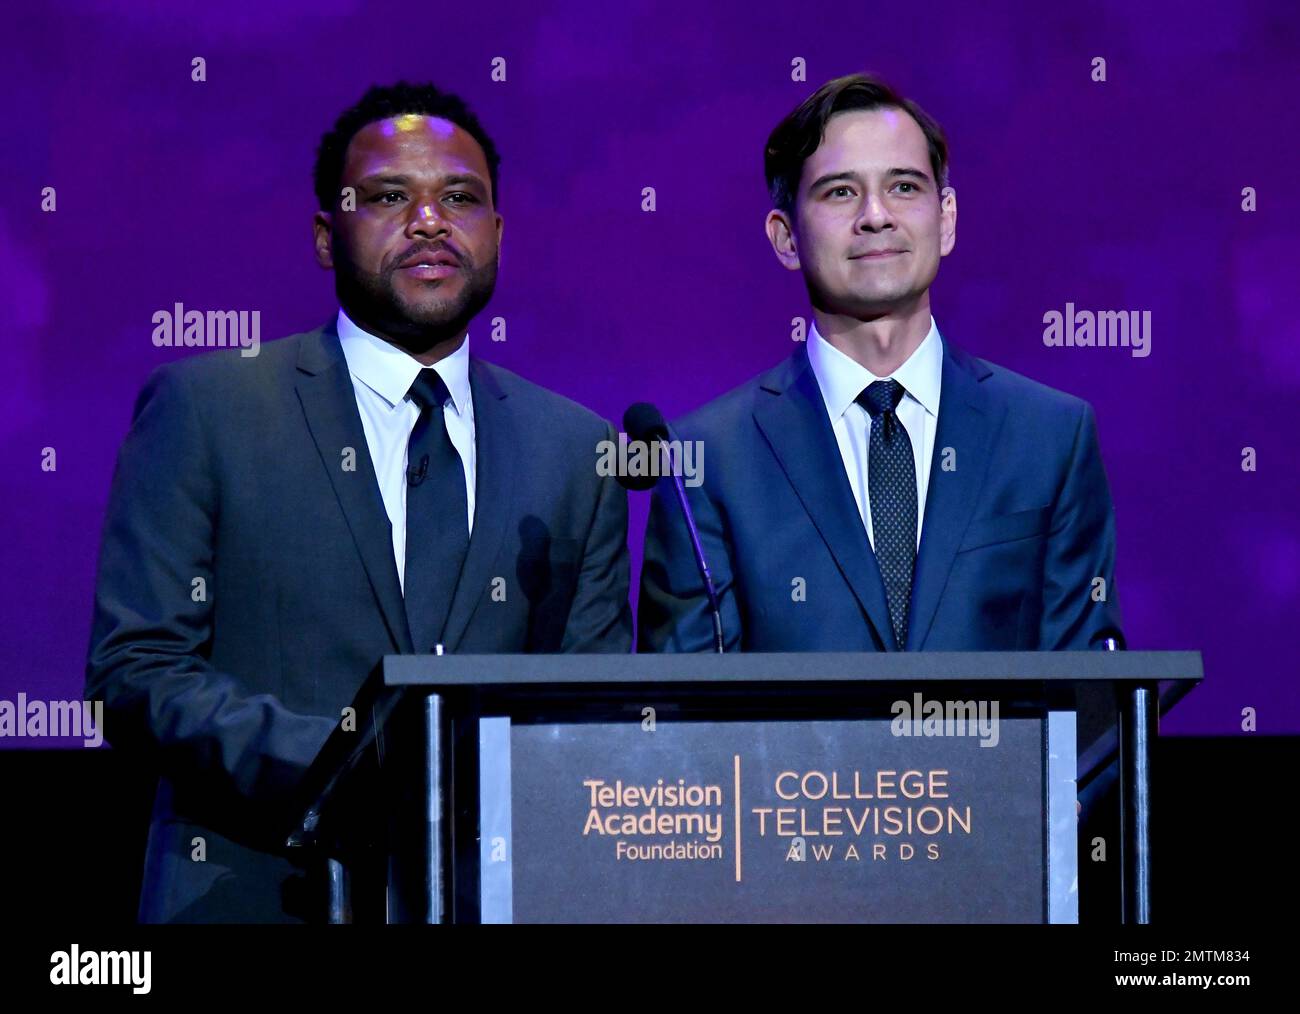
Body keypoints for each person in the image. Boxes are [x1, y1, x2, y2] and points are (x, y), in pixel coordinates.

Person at [86, 82, 632, 923]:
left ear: (496, 233)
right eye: (387, 197)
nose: (428, 221)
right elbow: (137, 673)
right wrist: (353, 761)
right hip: (258, 896)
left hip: (497, 903)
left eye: (460, 199)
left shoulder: (576, 450)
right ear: (323, 235)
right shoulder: (210, 408)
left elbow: (591, 708)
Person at [639, 73, 1124, 658]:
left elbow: (1089, 703)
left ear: (945, 219)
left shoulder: (1050, 436)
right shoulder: (707, 460)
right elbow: (685, 721)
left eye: (903, 187)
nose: (876, 216)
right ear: (785, 237)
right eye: (840, 192)